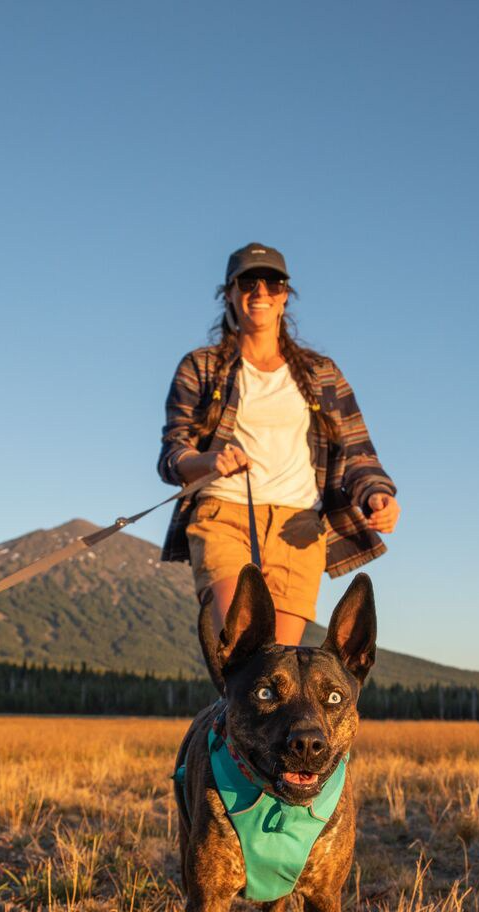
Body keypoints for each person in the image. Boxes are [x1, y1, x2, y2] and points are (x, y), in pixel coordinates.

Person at [157, 243, 400, 646]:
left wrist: (377, 495)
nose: (261, 292)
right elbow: (173, 454)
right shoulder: (200, 367)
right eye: (248, 282)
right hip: (223, 514)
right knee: (239, 650)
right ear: (230, 293)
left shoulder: (322, 374)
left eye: (273, 282)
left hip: (299, 527)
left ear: (286, 295)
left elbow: (357, 452)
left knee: (279, 667)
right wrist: (208, 462)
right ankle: (223, 711)